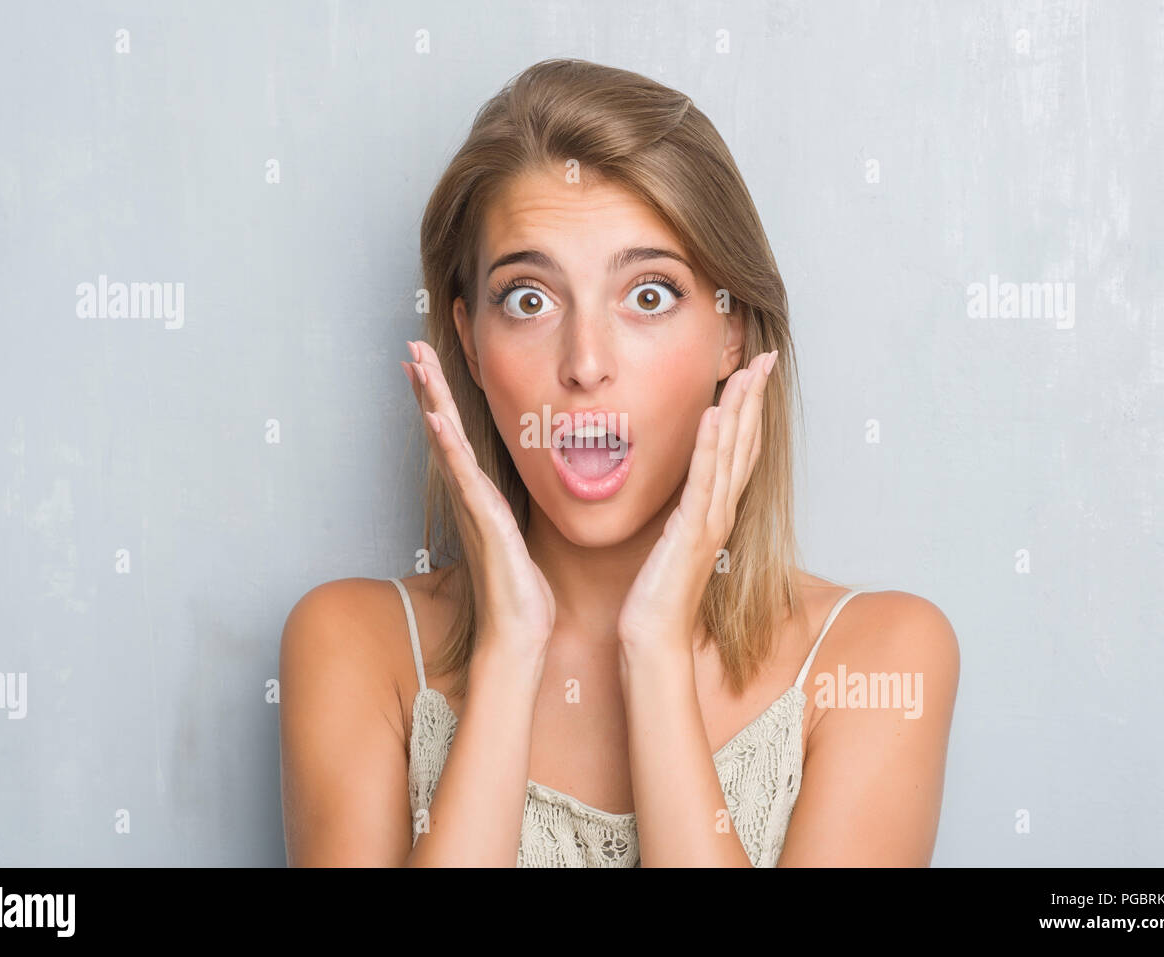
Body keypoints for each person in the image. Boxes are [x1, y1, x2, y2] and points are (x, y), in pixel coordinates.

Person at [279, 57, 959, 867]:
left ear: (731, 333)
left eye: (649, 294)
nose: (586, 362)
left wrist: (655, 651)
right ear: (468, 339)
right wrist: (508, 652)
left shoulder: (881, 656)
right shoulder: (355, 645)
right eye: (529, 298)